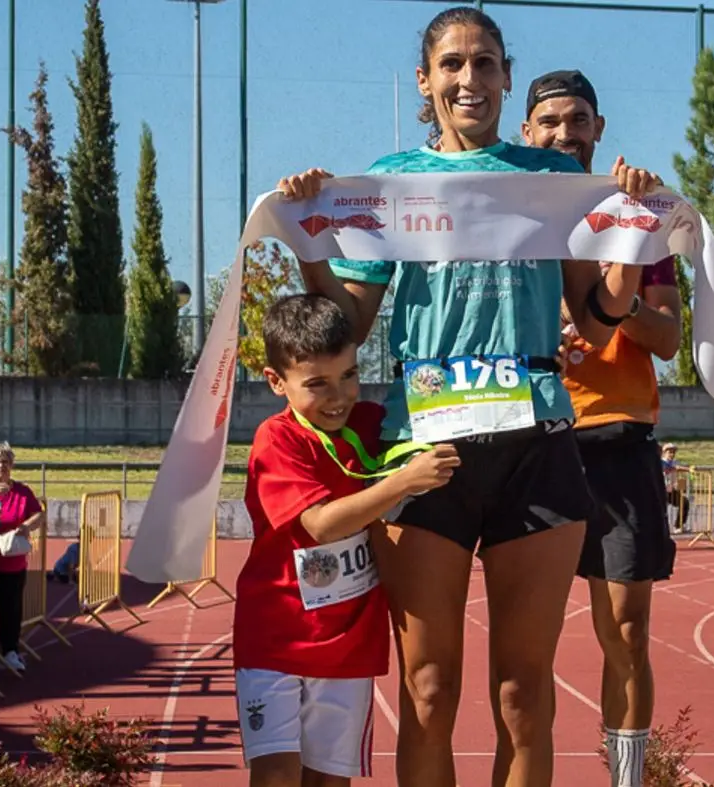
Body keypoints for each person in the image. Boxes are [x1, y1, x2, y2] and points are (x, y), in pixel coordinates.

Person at [280, 8, 659, 785]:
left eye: (484, 64)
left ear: (506, 77)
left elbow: (598, 313)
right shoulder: (388, 184)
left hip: (536, 444)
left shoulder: (555, 181)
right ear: (425, 80)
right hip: (426, 447)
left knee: (524, 693)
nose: (469, 80)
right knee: (428, 688)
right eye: (451, 65)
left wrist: (629, 236)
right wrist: (311, 246)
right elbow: (349, 323)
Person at [522, 68, 682, 787]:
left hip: (619, 448)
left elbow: (671, 336)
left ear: (599, 129)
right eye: (549, 122)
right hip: (534, 444)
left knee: (626, 635)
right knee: (528, 647)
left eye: (577, 120)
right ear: (527, 133)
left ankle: (626, 780)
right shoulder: (510, 216)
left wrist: (608, 310)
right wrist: (541, 335)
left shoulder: (642, 215)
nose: (564, 133)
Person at [232, 294, 460, 787]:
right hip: (275, 640)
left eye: (349, 376)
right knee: (275, 776)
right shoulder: (278, 440)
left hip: (348, 647)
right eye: (317, 384)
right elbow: (321, 525)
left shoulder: (370, 422)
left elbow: (437, 414)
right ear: (277, 382)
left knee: (329, 782)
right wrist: (404, 481)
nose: (338, 397)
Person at [0, 442, 44, 674]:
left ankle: (10, 651)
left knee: (10, 608)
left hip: (12, 563)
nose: (0, 467)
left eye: (5, 463)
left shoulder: (22, 492)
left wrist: (26, 526)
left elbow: (38, 514)